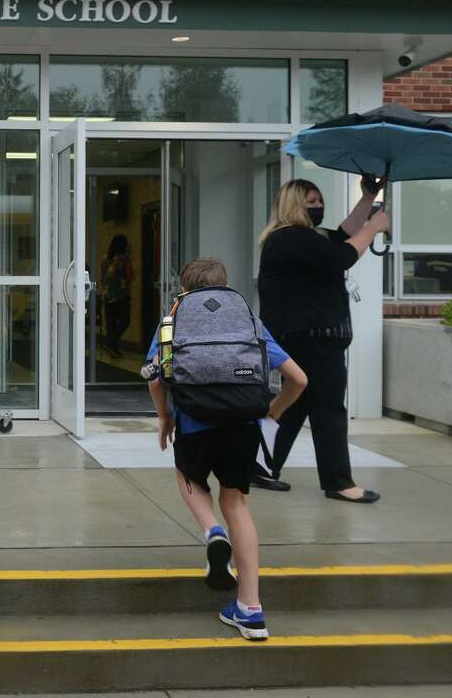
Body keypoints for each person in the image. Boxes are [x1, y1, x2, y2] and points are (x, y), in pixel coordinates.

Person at [150, 257, 308, 641]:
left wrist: (165, 418)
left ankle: (211, 531)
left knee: (188, 476)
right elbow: (299, 379)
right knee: (236, 501)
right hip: (243, 425)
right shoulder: (248, 321)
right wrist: (273, 412)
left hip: (194, 420)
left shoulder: (174, 319)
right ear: (224, 285)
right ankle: (251, 610)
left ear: (184, 289)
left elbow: (156, 376)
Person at [254, 177, 390, 502]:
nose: (318, 206)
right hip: (314, 339)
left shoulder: (297, 237)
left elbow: (341, 235)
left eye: (319, 200)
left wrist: (368, 198)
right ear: (293, 205)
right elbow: (340, 256)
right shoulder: (293, 239)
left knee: (293, 404)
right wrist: (375, 226)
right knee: (329, 410)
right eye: (310, 202)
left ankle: (258, 466)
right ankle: (339, 483)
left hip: (304, 338)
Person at [101, 234, 134, 357]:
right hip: (116, 296)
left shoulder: (116, 260)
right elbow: (107, 277)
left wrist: (127, 261)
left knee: (115, 324)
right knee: (122, 321)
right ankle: (111, 345)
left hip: (114, 296)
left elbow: (131, 277)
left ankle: (111, 345)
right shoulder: (111, 261)